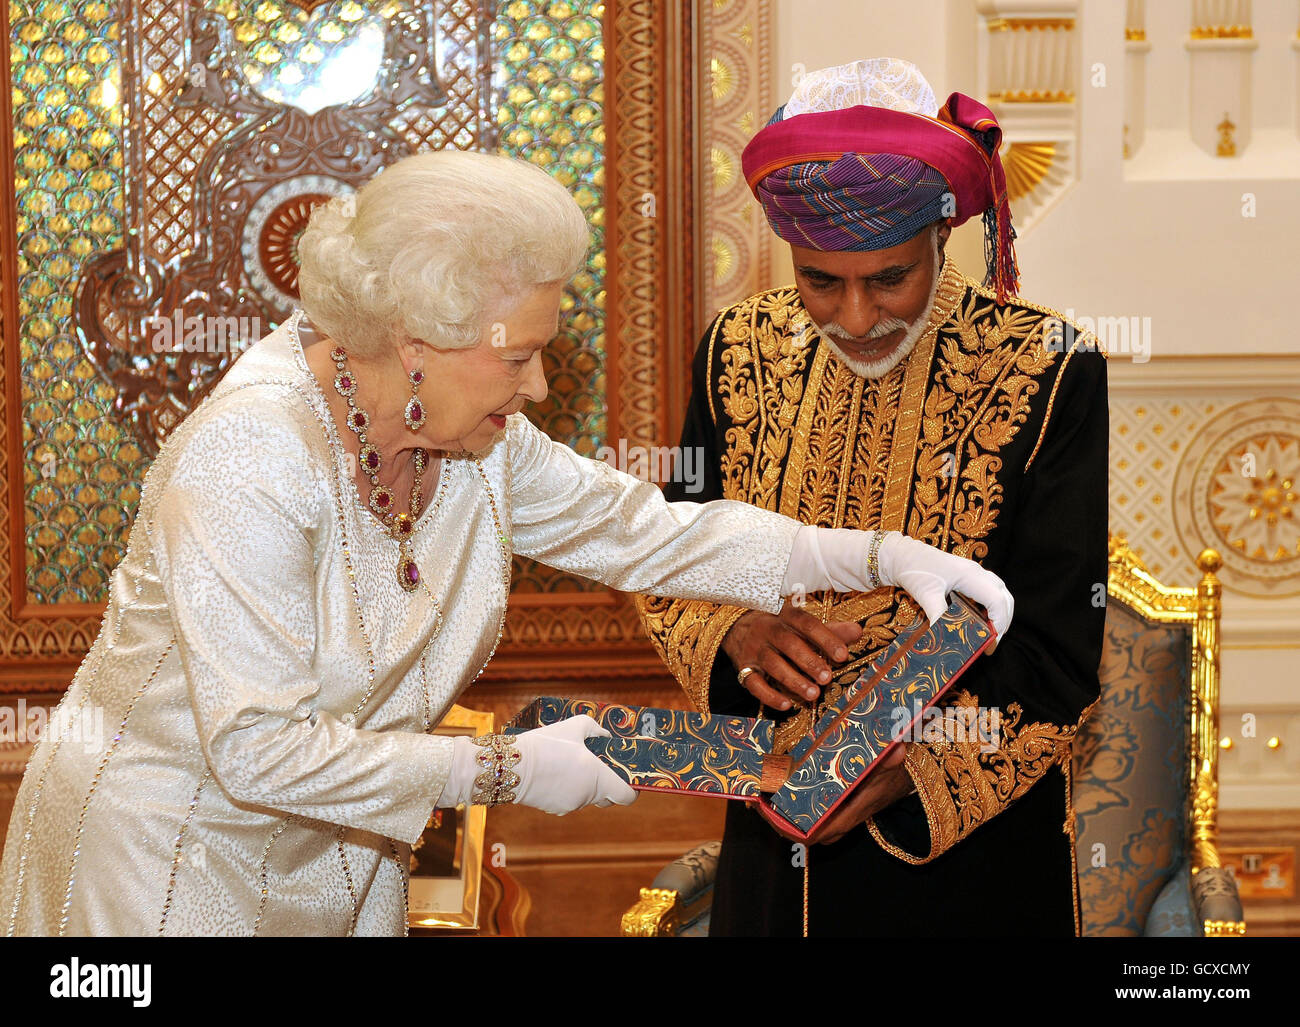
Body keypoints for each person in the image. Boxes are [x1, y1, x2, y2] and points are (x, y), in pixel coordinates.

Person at [0, 149, 1012, 936]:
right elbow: (256, 751)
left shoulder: (472, 441)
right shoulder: (247, 463)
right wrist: (503, 773)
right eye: (520, 358)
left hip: (343, 856)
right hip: (164, 867)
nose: (535, 390)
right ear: (413, 343)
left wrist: (871, 556)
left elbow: (645, 532)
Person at [636, 58, 1108, 936]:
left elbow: (1058, 647)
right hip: (774, 832)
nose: (856, 317)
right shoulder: (737, 347)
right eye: (821, 282)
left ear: (941, 238)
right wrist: (733, 629)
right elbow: (670, 554)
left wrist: (911, 766)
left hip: (967, 865)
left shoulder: (1049, 364)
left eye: (889, 278)